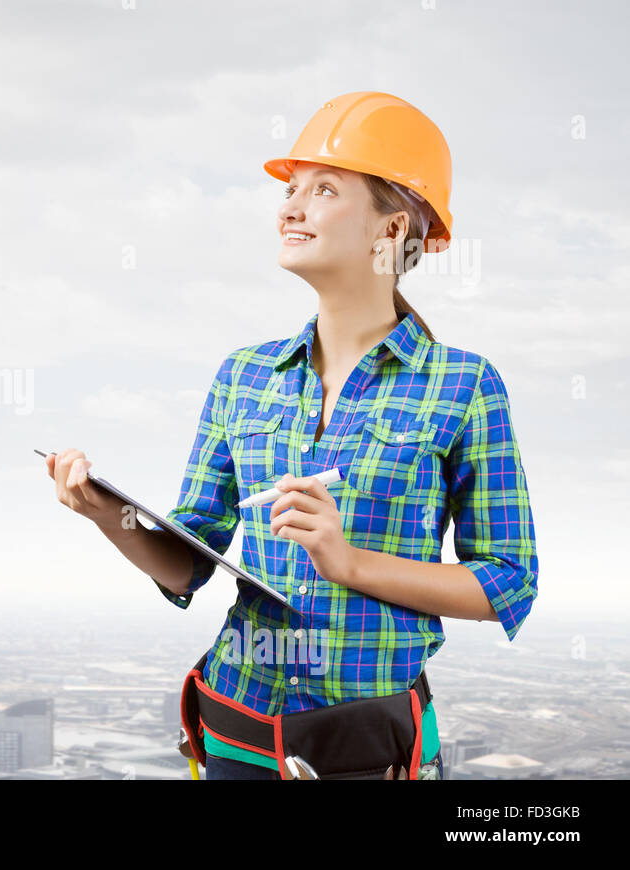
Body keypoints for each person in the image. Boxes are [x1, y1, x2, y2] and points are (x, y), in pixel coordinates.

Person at [44, 92, 538, 780]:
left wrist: (349, 562)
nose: (290, 207)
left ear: (391, 231)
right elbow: (188, 561)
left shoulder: (463, 386)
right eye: (291, 189)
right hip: (236, 730)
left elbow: (506, 583)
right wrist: (109, 516)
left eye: (325, 189)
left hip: (364, 748)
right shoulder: (243, 376)